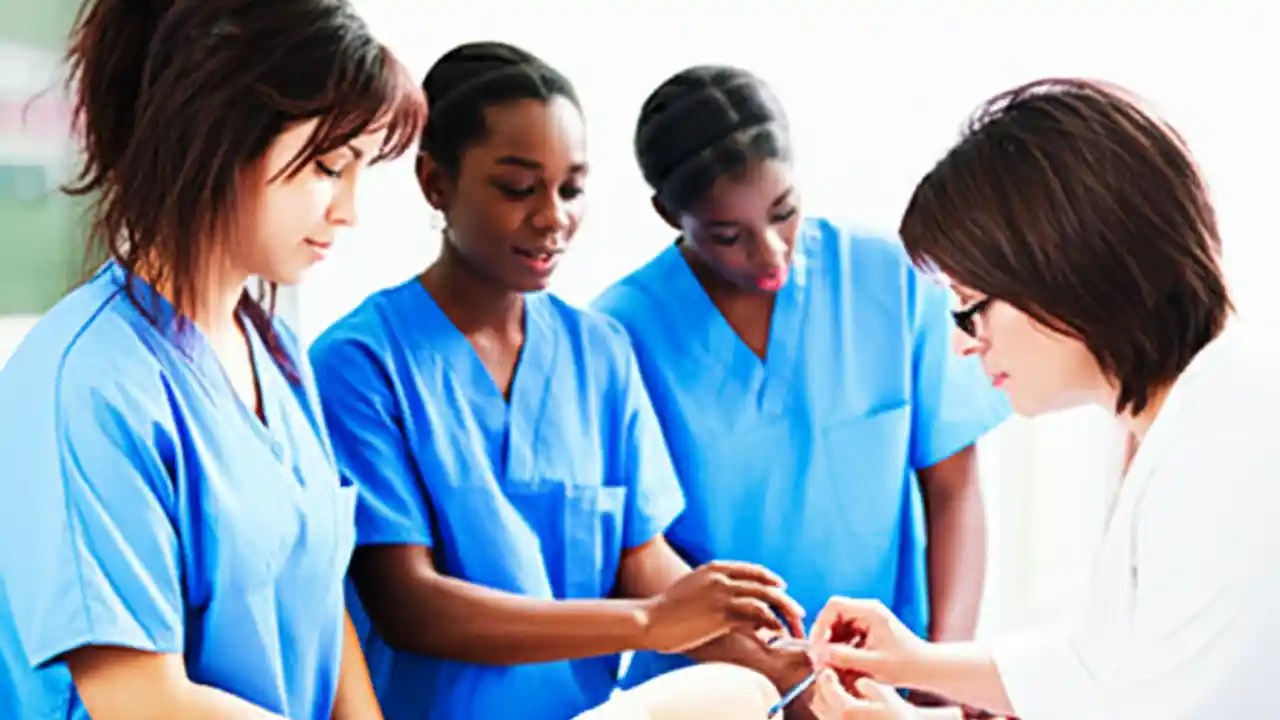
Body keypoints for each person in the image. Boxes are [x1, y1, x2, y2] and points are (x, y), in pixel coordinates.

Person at [308, 42, 805, 720]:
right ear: (436, 183)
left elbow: (643, 559)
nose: (552, 217)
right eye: (518, 188)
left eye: (570, 189)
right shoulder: (361, 364)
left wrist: (786, 667)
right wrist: (650, 623)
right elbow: (409, 605)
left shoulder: (600, 353)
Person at [0, 1, 426, 718]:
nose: (349, 210)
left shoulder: (277, 353)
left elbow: (321, 602)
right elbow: (142, 699)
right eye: (327, 166)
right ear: (219, 139)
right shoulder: (83, 382)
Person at [806, 78, 1280, 719]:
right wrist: (912, 659)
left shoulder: (1226, 454)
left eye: (970, 306)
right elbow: (1104, 667)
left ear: (1069, 271)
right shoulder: (1188, 416)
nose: (963, 345)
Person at [591, 65, 1009, 712]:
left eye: (783, 213)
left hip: (881, 685)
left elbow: (952, 486)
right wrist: (779, 678)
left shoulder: (889, 280)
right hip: (711, 692)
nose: (770, 254)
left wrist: (945, 665)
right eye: (728, 236)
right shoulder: (618, 335)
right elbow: (638, 556)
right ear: (669, 215)